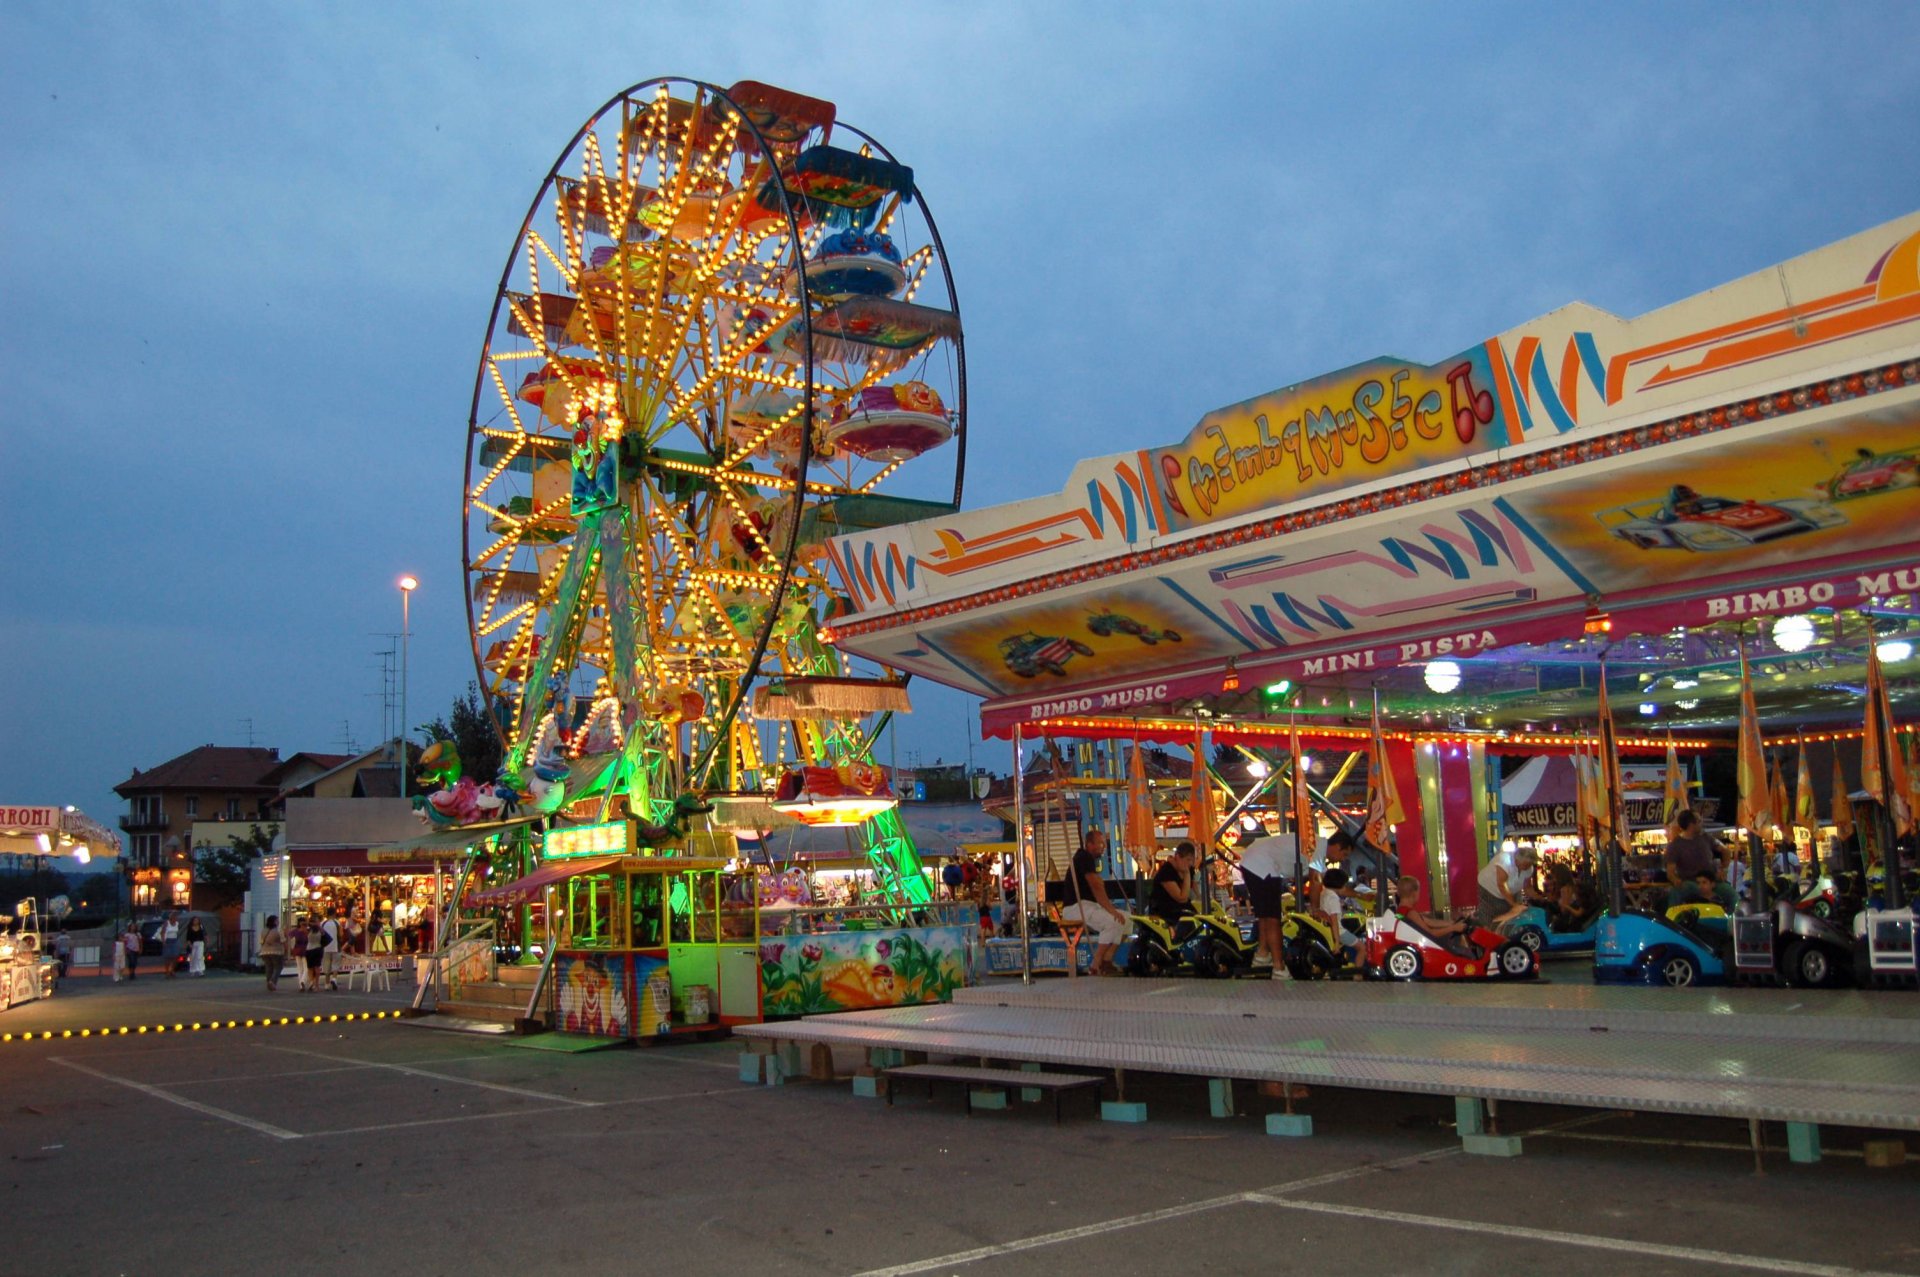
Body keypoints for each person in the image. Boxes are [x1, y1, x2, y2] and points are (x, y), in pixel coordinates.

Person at [1060, 828, 1128, 976]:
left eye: (1103, 844)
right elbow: (1096, 886)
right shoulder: (1084, 857)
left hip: (1088, 905)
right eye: (1100, 844)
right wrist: (1111, 909)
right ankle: (1096, 964)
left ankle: (1107, 959)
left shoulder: (1088, 860)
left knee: (1127, 919)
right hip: (1075, 907)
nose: (1103, 847)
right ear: (1089, 844)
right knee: (1111, 921)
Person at [1236, 832, 1295, 980]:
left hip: (1254, 864)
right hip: (1264, 867)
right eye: (1344, 854)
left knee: (1264, 915)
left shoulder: (1308, 840)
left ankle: (1262, 956)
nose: (1343, 859)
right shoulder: (1317, 847)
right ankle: (1278, 967)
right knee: (1272, 918)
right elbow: (1316, 882)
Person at [1393, 874, 1474, 955]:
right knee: (1462, 948)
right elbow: (1430, 934)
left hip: (1421, 944)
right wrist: (1453, 928)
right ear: (1413, 893)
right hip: (1426, 947)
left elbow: (1429, 921)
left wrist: (1452, 923)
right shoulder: (1411, 913)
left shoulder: (1401, 910)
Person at [1473, 844, 1537, 928]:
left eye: (1529, 865)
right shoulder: (1504, 860)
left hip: (1511, 891)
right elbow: (1502, 885)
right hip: (1488, 890)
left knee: (1513, 917)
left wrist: (1539, 898)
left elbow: (1528, 887)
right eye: (1525, 865)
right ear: (1517, 860)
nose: (1527, 867)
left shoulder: (1529, 868)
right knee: (1489, 920)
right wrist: (1515, 905)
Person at [1663, 810, 1720, 887]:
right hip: (1690, 882)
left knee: (1729, 892)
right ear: (1691, 825)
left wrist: (1724, 868)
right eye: (1699, 821)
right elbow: (1670, 873)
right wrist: (1676, 880)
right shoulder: (1675, 845)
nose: (1701, 824)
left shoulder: (1706, 837)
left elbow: (1725, 850)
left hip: (1711, 881)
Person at [1319, 867, 1362, 965]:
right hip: (1339, 932)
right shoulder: (1333, 897)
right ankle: (1357, 973)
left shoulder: (1324, 893)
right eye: (1344, 884)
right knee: (1362, 948)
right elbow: (1334, 921)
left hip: (1327, 929)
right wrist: (1337, 942)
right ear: (1339, 884)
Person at [1148, 841, 1197, 924]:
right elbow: (1181, 898)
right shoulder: (1166, 872)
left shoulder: (1190, 870)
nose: (1190, 863)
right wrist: (1187, 874)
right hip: (1164, 910)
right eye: (1188, 859)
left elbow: (1195, 892)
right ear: (1177, 857)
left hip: (1181, 908)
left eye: (1192, 860)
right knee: (1189, 918)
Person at [259, 915, 286, 992]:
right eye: (277, 921)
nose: (278, 922)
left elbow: (261, 941)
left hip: (264, 951)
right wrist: (286, 950)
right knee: (278, 967)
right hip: (276, 951)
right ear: (274, 922)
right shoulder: (278, 931)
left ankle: (268, 982)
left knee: (268, 967)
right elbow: (283, 941)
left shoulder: (264, 931)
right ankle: (272, 981)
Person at [319, 911, 345, 990]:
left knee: (326, 964)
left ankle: (327, 983)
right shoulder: (337, 923)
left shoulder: (322, 923)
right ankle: (334, 979)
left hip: (325, 947)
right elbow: (341, 934)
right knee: (335, 964)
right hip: (336, 946)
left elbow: (320, 935)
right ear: (334, 914)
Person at [288, 917, 312, 991]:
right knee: (306, 968)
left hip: (297, 950)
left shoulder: (295, 931)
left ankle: (301, 985)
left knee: (299, 968)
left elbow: (289, 936)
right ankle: (303, 981)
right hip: (305, 950)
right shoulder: (307, 931)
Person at [159, 910, 182, 978]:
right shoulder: (167, 923)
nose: (175, 918)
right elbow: (162, 932)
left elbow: (177, 932)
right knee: (168, 957)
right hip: (168, 940)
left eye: (176, 916)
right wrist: (163, 941)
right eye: (174, 916)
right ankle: (167, 971)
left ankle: (172, 970)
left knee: (176, 956)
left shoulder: (177, 923)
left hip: (174, 940)